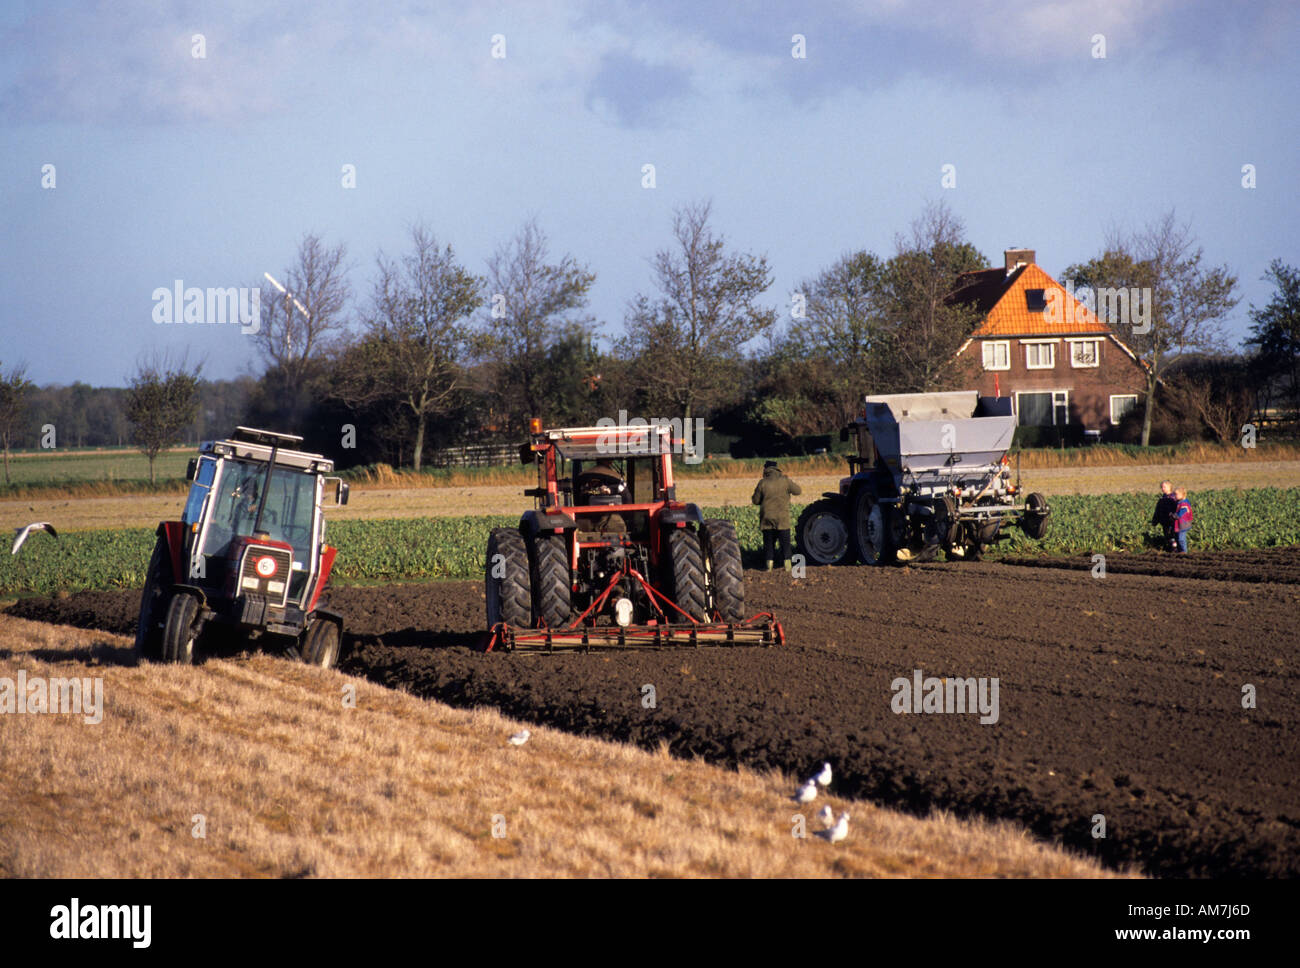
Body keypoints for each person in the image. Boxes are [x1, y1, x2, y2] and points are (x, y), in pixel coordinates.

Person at [752, 460, 802, 571]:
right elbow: (798, 491)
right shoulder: (785, 481)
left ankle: (769, 568)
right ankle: (788, 568)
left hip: (767, 519)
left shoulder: (762, 483)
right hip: (782, 519)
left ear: (765, 469)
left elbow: (755, 500)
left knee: (769, 545)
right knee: (785, 545)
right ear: (777, 468)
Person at [1151, 480, 1177, 552]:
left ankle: (1175, 549)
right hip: (1164, 521)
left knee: (1173, 536)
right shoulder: (1162, 499)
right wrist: (1155, 520)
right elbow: (1158, 510)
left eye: (1164, 487)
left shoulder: (1174, 498)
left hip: (1172, 521)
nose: (1162, 488)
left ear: (1170, 487)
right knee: (1167, 536)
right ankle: (1170, 549)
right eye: (1161, 487)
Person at [1172, 487, 1193, 553]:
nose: (1175, 496)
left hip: (1183, 524)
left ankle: (1184, 551)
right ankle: (1180, 550)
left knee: (1181, 539)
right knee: (1178, 537)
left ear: (1183, 495)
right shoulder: (1181, 502)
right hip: (1181, 523)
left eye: (1176, 494)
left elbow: (1179, 515)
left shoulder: (1184, 504)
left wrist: (1173, 515)